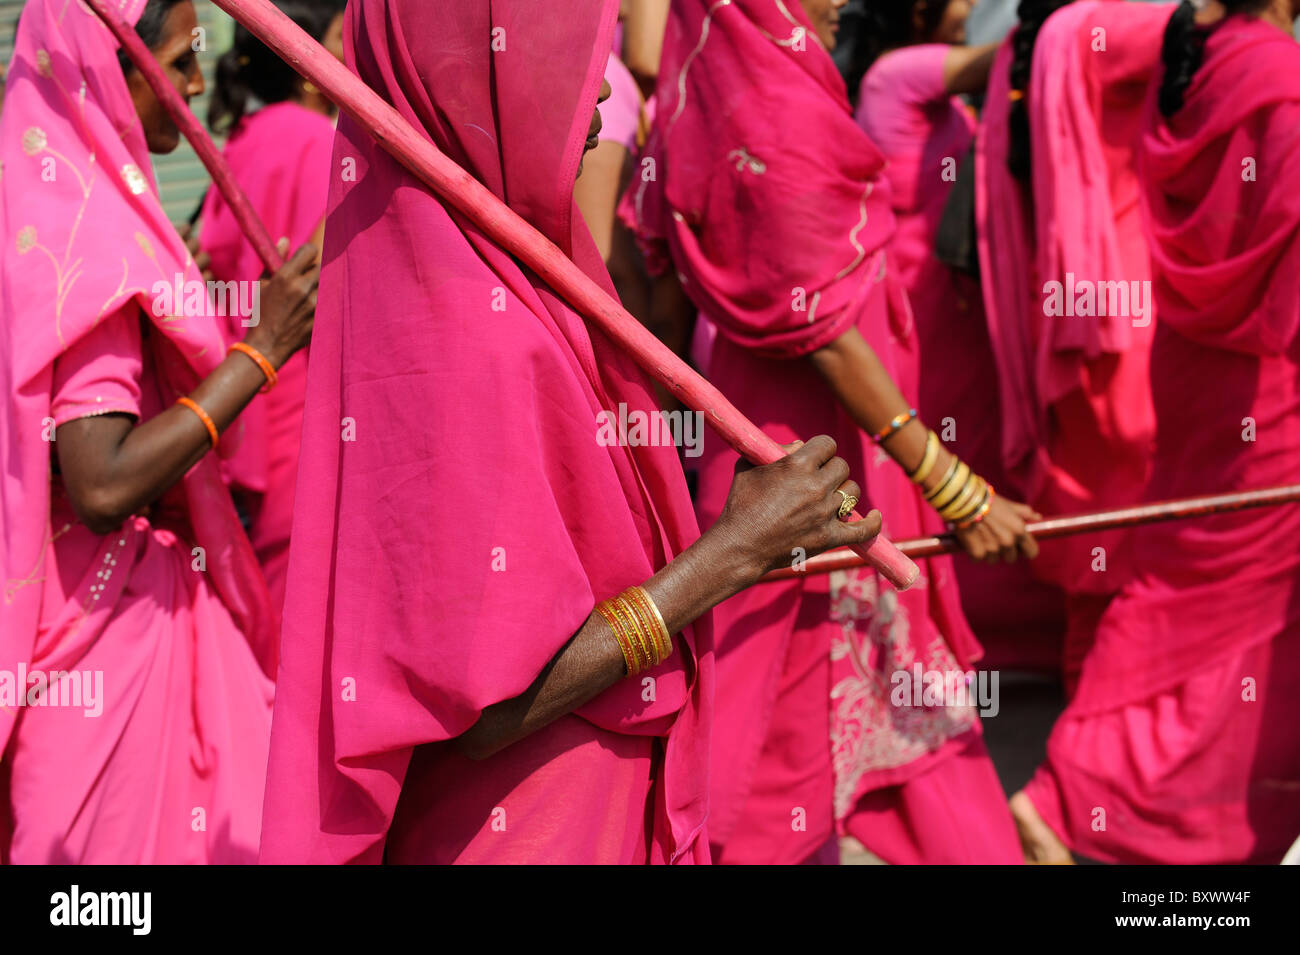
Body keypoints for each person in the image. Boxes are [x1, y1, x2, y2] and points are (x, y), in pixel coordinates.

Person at [258, 0, 883, 865]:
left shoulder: (504, 270)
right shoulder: (462, 325)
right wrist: (731, 552)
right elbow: (480, 712)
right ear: (474, 69)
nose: (598, 86)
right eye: (565, 48)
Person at [631, 0, 1036, 864]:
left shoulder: (747, 79)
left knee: (886, 691)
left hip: (821, 437)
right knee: (777, 716)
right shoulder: (763, 104)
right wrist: (950, 482)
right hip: (807, 449)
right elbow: (819, 324)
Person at [0, 0, 318, 863]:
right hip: (101, 636)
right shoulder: (89, 239)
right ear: (110, 67)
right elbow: (101, 482)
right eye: (177, 60)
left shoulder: (33, 206)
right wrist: (265, 349)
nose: (193, 84)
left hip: (58, 624)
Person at [1012, 0, 1300, 864]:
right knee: (1236, 595)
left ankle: (1107, 803)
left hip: (1193, 361)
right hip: (1268, 374)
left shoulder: (1199, 64)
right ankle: (1081, 794)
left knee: (1188, 574)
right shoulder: (1279, 76)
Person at [852, 0, 1065, 669]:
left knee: (975, 451)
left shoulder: (953, 107)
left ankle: (995, 634)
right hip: (922, 313)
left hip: (961, 313)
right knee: (940, 454)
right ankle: (962, 633)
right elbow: (1011, 56)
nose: (972, 8)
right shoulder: (895, 76)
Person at [199, 0, 346, 614]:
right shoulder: (323, 140)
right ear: (309, 64)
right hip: (306, 412)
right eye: (344, 34)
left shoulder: (243, 141)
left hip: (244, 407)